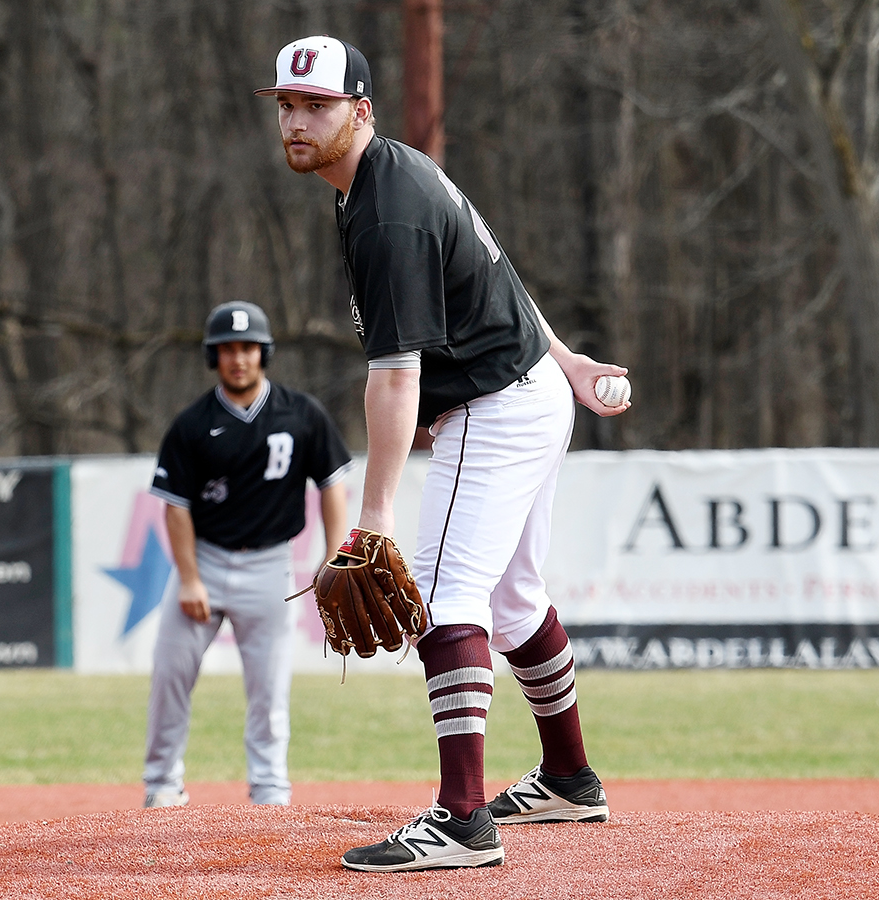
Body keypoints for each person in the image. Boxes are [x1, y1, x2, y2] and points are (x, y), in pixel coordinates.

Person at [257, 36, 631, 871]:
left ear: (361, 110)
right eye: (286, 104)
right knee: (515, 600)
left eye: (317, 105)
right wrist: (565, 363)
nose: (296, 121)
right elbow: (499, 270)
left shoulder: (385, 206)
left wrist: (376, 513)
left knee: (449, 599)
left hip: (497, 408)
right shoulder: (387, 175)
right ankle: (569, 778)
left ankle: (463, 819)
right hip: (527, 389)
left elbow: (394, 378)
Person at [143, 300, 352, 808]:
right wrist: (190, 579)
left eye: (249, 348)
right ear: (214, 357)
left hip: (269, 567)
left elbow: (332, 484)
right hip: (206, 564)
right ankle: (162, 785)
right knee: (170, 676)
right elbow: (175, 509)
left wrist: (334, 554)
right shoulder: (192, 424)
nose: (239, 358)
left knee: (269, 689)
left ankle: (269, 789)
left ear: (265, 353)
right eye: (229, 349)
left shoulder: (302, 413)